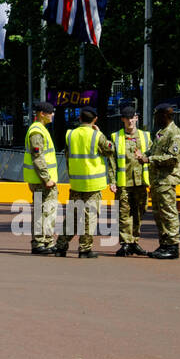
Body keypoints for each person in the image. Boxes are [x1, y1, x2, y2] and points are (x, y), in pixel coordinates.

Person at [55, 106, 115, 258]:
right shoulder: (96, 135)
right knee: (90, 217)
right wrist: (100, 132)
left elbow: (68, 157)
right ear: (95, 119)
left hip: (76, 183)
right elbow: (110, 149)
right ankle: (84, 249)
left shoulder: (71, 135)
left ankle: (61, 246)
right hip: (93, 185)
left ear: (80, 119)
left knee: (72, 217)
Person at [112, 104, 152, 256]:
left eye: (132, 117)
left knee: (140, 212)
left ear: (137, 118)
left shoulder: (146, 136)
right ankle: (126, 243)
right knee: (124, 214)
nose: (130, 121)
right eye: (127, 118)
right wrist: (112, 181)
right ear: (123, 119)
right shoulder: (116, 137)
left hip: (141, 182)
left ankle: (134, 241)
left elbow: (151, 157)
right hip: (124, 182)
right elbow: (112, 161)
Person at [146, 102, 180, 259]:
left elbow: (172, 158)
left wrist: (150, 159)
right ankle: (164, 244)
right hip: (157, 180)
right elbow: (155, 151)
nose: (154, 118)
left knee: (168, 213)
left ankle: (172, 246)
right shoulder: (162, 132)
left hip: (166, 180)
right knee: (159, 214)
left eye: (156, 115)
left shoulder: (174, 134)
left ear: (164, 115)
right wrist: (144, 154)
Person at [23, 102, 59, 255]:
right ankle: (41, 242)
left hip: (40, 180)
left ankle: (44, 242)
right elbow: (38, 157)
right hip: (42, 181)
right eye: (50, 112)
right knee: (45, 211)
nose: (52, 115)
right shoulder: (37, 132)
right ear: (42, 114)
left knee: (44, 211)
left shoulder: (39, 130)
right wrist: (46, 178)